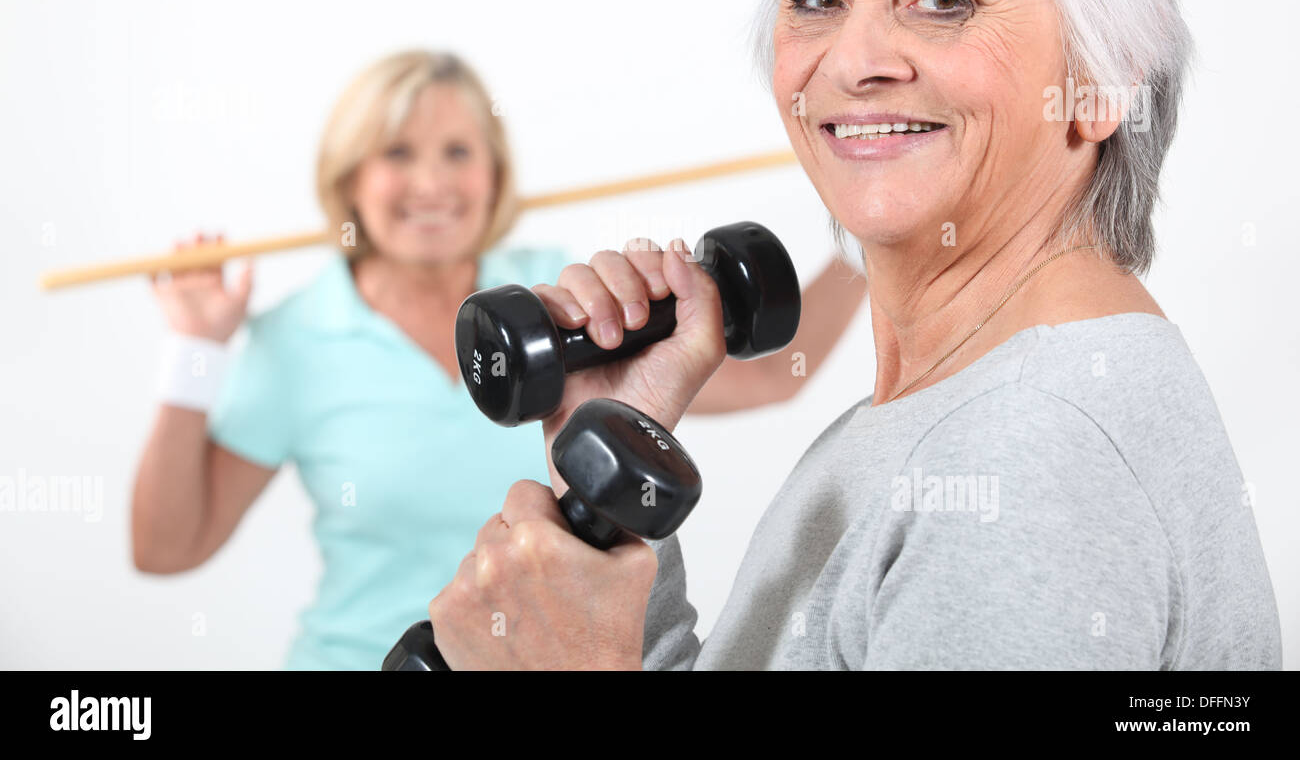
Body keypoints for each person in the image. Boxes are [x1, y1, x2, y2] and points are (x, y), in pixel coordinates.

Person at [420, 0, 1283, 670]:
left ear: (1100, 84)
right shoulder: (943, 414)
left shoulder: (1025, 456)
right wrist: (606, 471)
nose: (854, 58)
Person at [131, 48, 866, 669]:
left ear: (493, 173)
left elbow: (772, 371)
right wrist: (195, 352)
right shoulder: (296, 339)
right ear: (351, 177)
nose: (433, 183)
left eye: (458, 152)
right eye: (397, 153)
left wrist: (875, 235)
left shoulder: (566, 301)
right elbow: (166, 546)